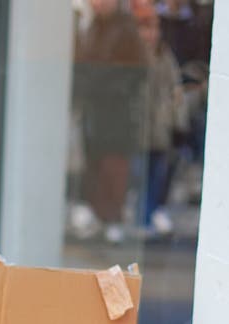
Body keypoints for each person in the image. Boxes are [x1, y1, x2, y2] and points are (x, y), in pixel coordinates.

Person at [75, 0, 148, 244]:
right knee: (95, 163)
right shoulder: (94, 26)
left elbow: (136, 71)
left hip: (116, 111)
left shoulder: (125, 29)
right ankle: (100, 215)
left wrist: (109, 88)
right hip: (96, 108)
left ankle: (112, 218)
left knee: (113, 167)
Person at [134, 3, 189, 235]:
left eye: (153, 28)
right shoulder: (133, 54)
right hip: (137, 126)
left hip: (160, 125)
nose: (150, 34)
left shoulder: (164, 56)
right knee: (139, 173)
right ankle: (142, 216)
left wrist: (176, 117)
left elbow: (175, 88)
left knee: (157, 171)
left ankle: (152, 212)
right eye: (145, 28)